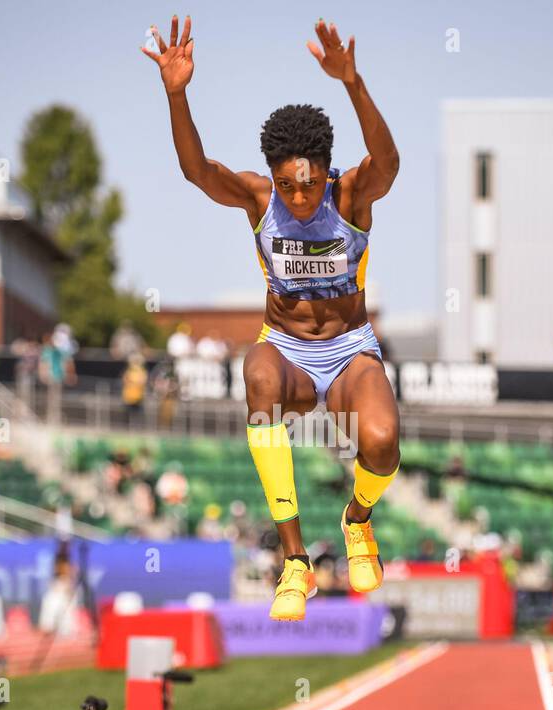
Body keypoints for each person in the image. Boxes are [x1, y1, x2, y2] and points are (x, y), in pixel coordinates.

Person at [144, 15, 402, 621]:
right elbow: (197, 171)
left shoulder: (351, 196)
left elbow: (388, 162)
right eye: (287, 186)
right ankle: (294, 561)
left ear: (325, 170)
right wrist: (178, 95)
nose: (298, 197)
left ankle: (357, 521)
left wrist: (353, 82)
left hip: (348, 350)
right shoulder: (261, 199)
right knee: (255, 373)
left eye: (307, 184)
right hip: (284, 348)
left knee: (384, 444)